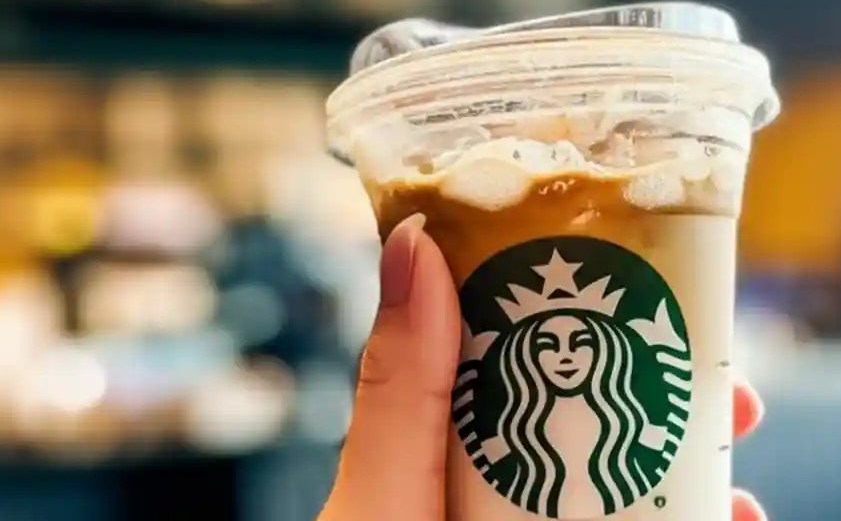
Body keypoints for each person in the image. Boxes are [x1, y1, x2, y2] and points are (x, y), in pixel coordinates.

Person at [318, 216, 768, 521]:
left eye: (582, 342)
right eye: (548, 344)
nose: (566, 357)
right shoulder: (510, 437)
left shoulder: (636, 434)